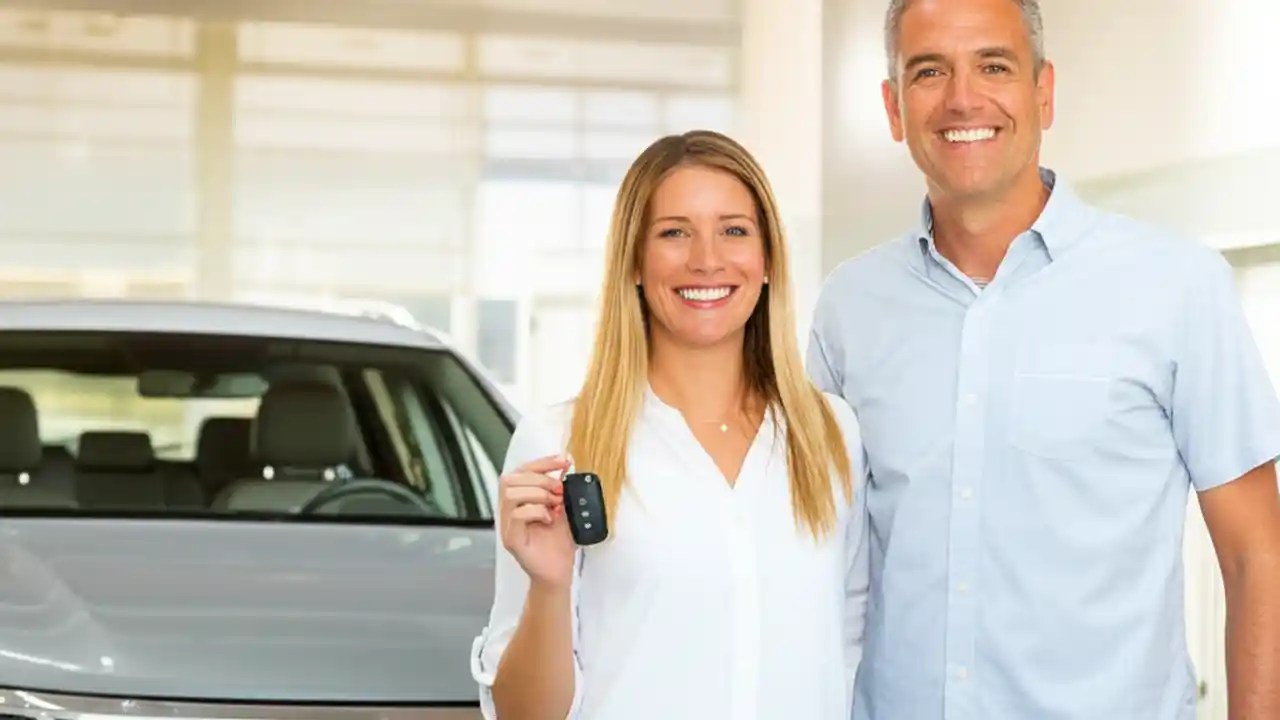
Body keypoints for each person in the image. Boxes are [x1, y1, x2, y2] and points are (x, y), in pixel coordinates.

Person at [807, 0, 1280, 718]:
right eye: (929, 71)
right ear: (894, 108)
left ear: (1043, 91)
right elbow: (822, 564)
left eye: (993, 66)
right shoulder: (849, 307)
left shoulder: (1178, 288)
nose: (963, 98)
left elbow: (1257, 560)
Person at [469, 130, 869, 719]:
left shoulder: (830, 434)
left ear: (767, 261)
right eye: (674, 232)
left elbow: (847, 658)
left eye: (734, 230)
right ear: (634, 261)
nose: (706, 259)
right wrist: (549, 587)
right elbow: (526, 716)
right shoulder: (559, 444)